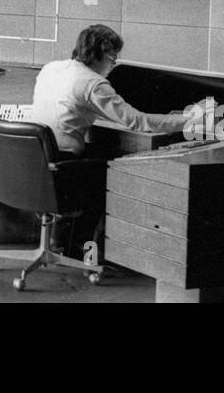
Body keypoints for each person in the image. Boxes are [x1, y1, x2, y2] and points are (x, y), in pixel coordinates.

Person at [30, 24, 214, 257]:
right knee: (112, 174)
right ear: (97, 54)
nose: (114, 62)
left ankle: (65, 243)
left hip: (34, 162)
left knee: (96, 161)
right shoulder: (93, 84)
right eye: (112, 56)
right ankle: (86, 251)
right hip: (62, 164)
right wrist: (189, 119)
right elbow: (138, 123)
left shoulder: (51, 68)